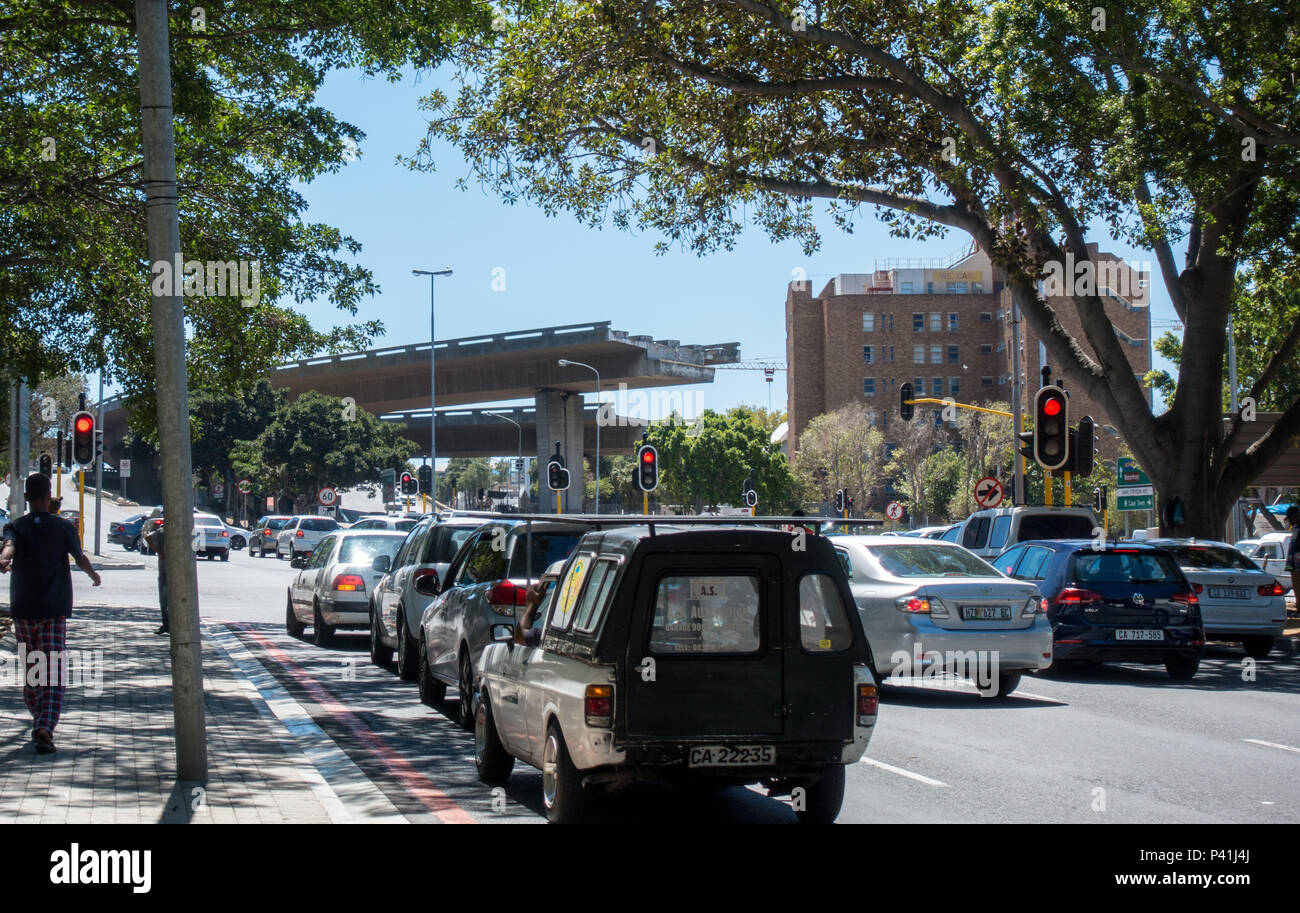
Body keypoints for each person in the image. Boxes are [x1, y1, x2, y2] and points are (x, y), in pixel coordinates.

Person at [0, 473, 101, 754]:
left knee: (33, 671)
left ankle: (42, 724)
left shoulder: (16, 526)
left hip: (23, 609)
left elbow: (9, 546)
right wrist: (93, 574)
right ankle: (44, 722)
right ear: (47, 497)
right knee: (53, 671)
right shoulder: (63, 527)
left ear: (26, 498)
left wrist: (4, 558)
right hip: (53, 609)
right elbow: (79, 558)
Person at [144, 520, 168, 636]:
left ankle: (166, 623)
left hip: (164, 568)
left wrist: (159, 552)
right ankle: (168, 624)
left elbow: (147, 537)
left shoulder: (162, 530)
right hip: (173, 569)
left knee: (164, 598)